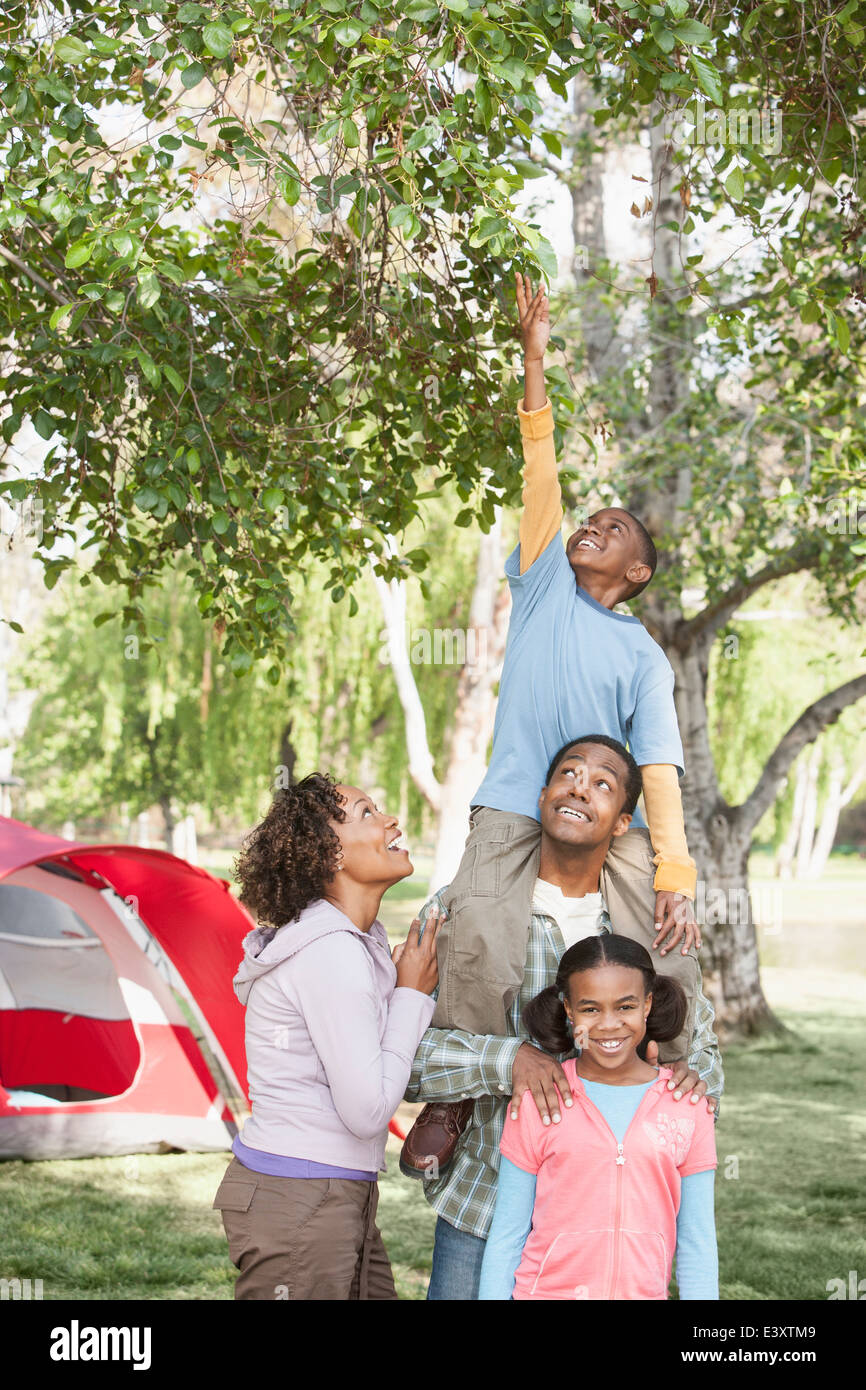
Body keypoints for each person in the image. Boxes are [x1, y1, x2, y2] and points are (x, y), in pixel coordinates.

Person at [402, 272, 701, 1173]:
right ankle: (455, 1100)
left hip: (611, 820)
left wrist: (675, 870)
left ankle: (666, 1077)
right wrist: (533, 358)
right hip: (515, 802)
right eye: (589, 521)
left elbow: (656, 766)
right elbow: (541, 465)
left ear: (638, 573)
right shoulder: (541, 589)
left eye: (611, 531)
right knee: (478, 933)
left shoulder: (644, 655)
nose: (591, 529)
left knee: (653, 942)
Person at [403, 734, 722, 1300]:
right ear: (544, 793)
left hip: (596, 1214)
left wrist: (701, 1080)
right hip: (486, 1195)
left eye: (603, 784)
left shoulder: (649, 924)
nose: (581, 786)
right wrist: (508, 1059)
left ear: (622, 822)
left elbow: (701, 1051)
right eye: (570, 773)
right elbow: (401, 1049)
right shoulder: (462, 909)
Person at [213, 772, 441, 1300]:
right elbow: (366, 1110)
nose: (391, 821)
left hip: (327, 1192)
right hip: (303, 1196)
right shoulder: (330, 952)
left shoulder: (351, 943)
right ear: (329, 855)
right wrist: (411, 994)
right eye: (366, 814)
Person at [478, 934, 718, 1300]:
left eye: (625, 1007)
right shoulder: (540, 1101)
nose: (609, 1025)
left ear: (648, 1004)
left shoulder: (687, 1105)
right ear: (569, 1010)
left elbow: (697, 1242)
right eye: (591, 1009)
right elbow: (507, 1233)